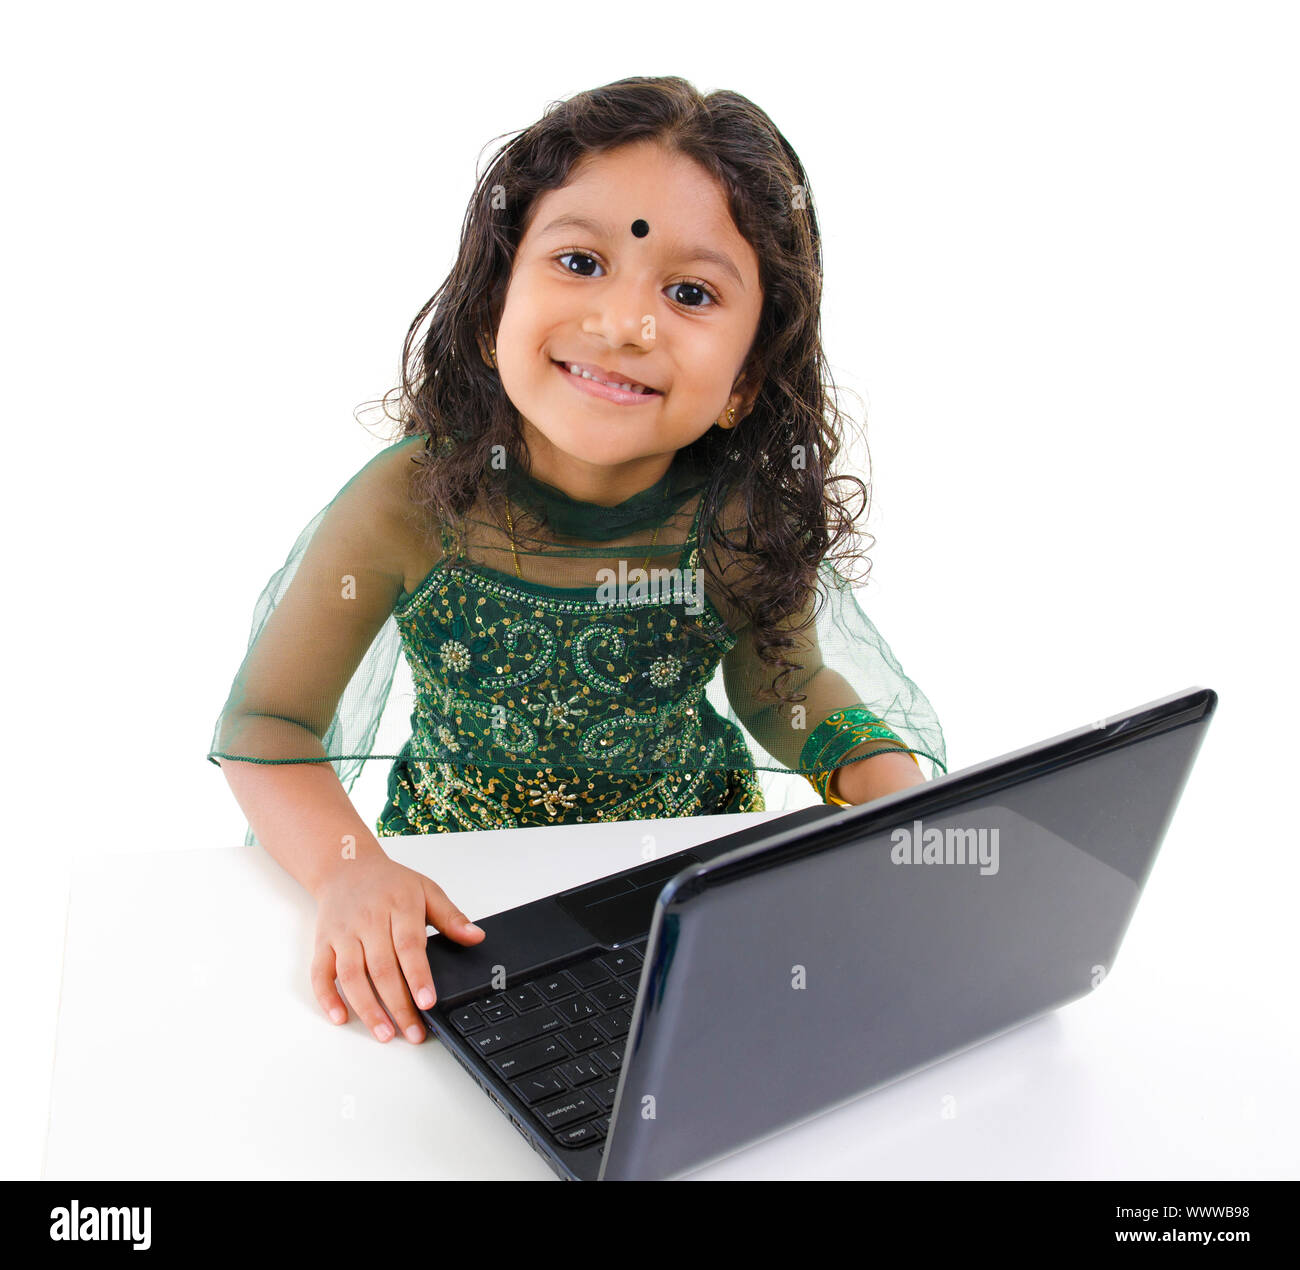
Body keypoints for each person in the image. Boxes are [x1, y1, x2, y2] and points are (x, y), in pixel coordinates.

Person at [208, 76, 947, 1049]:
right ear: (489, 311)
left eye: (688, 292)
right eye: (580, 260)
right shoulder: (404, 505)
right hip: (463, 894)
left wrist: (881, 780)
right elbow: (268, 722)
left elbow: (786, 685)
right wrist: (351, 867)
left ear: (745, 380)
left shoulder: (741, 512)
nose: (626, 321)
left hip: (684, 874)